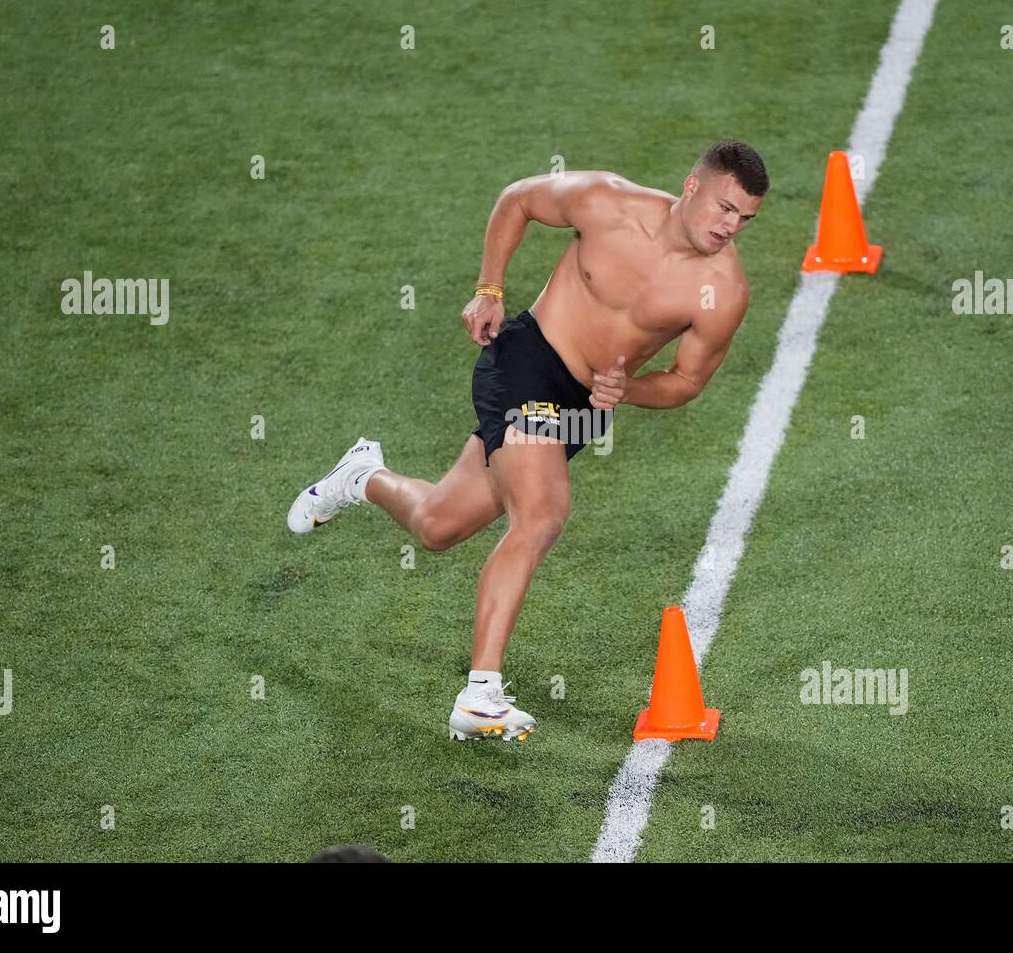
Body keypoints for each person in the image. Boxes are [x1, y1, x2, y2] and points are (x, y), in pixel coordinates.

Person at [287, 140, 767, 741]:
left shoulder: (723, 292)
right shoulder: (607, 203)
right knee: (541, 515)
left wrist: (628, 391)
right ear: (693, 187)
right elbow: (517, 201)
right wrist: (490, 289)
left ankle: (361, 477)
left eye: (745, 219)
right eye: (725, 208)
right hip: (526, 361)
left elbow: (687, 380)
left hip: (584, 407)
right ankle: (481, 694)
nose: (731, 228)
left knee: (439, 526)